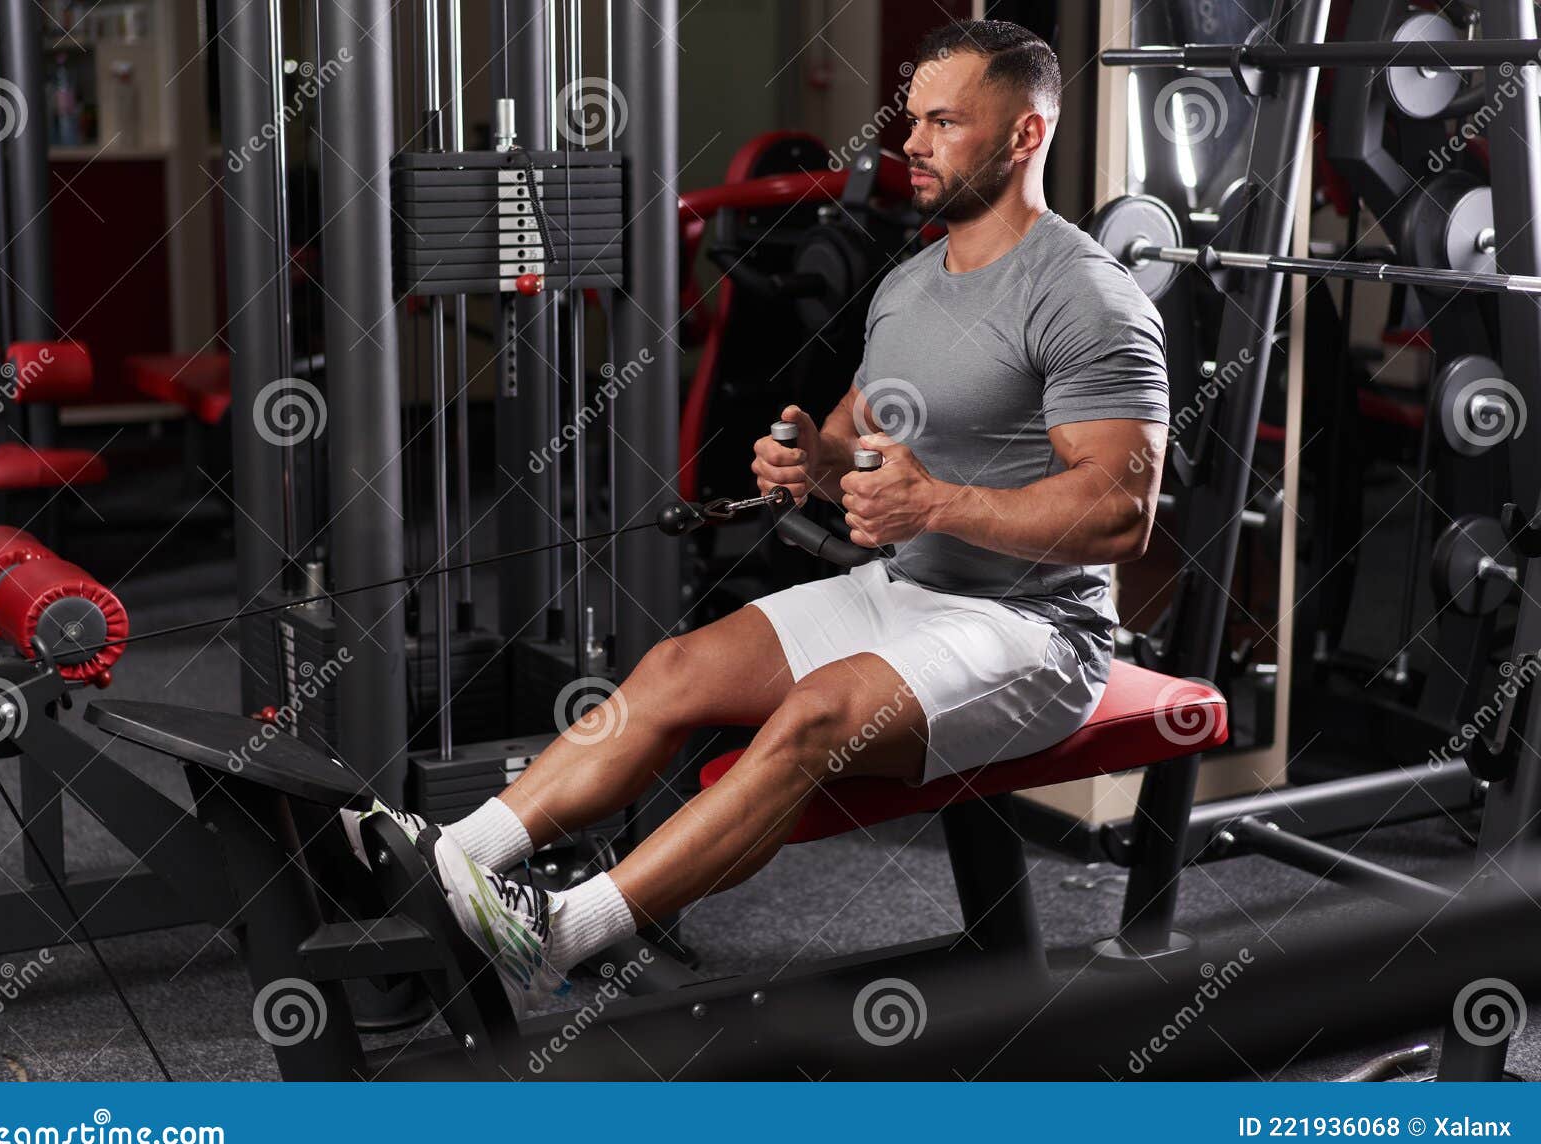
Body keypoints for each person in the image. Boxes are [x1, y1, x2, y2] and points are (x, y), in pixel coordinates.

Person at [347, 18, 1172, 1010]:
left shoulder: (1087, 294)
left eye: (942, 122)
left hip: (1034, 629)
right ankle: (456, 860)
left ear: (1023, 135)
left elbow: (1118, 513)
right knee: (674, 666)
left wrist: (934, 499)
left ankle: (563, 931)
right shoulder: (909, 286)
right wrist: (809, 461)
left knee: (813, 713)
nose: (907, 142)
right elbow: (854, 437)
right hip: (907, 587)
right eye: (911, 120)